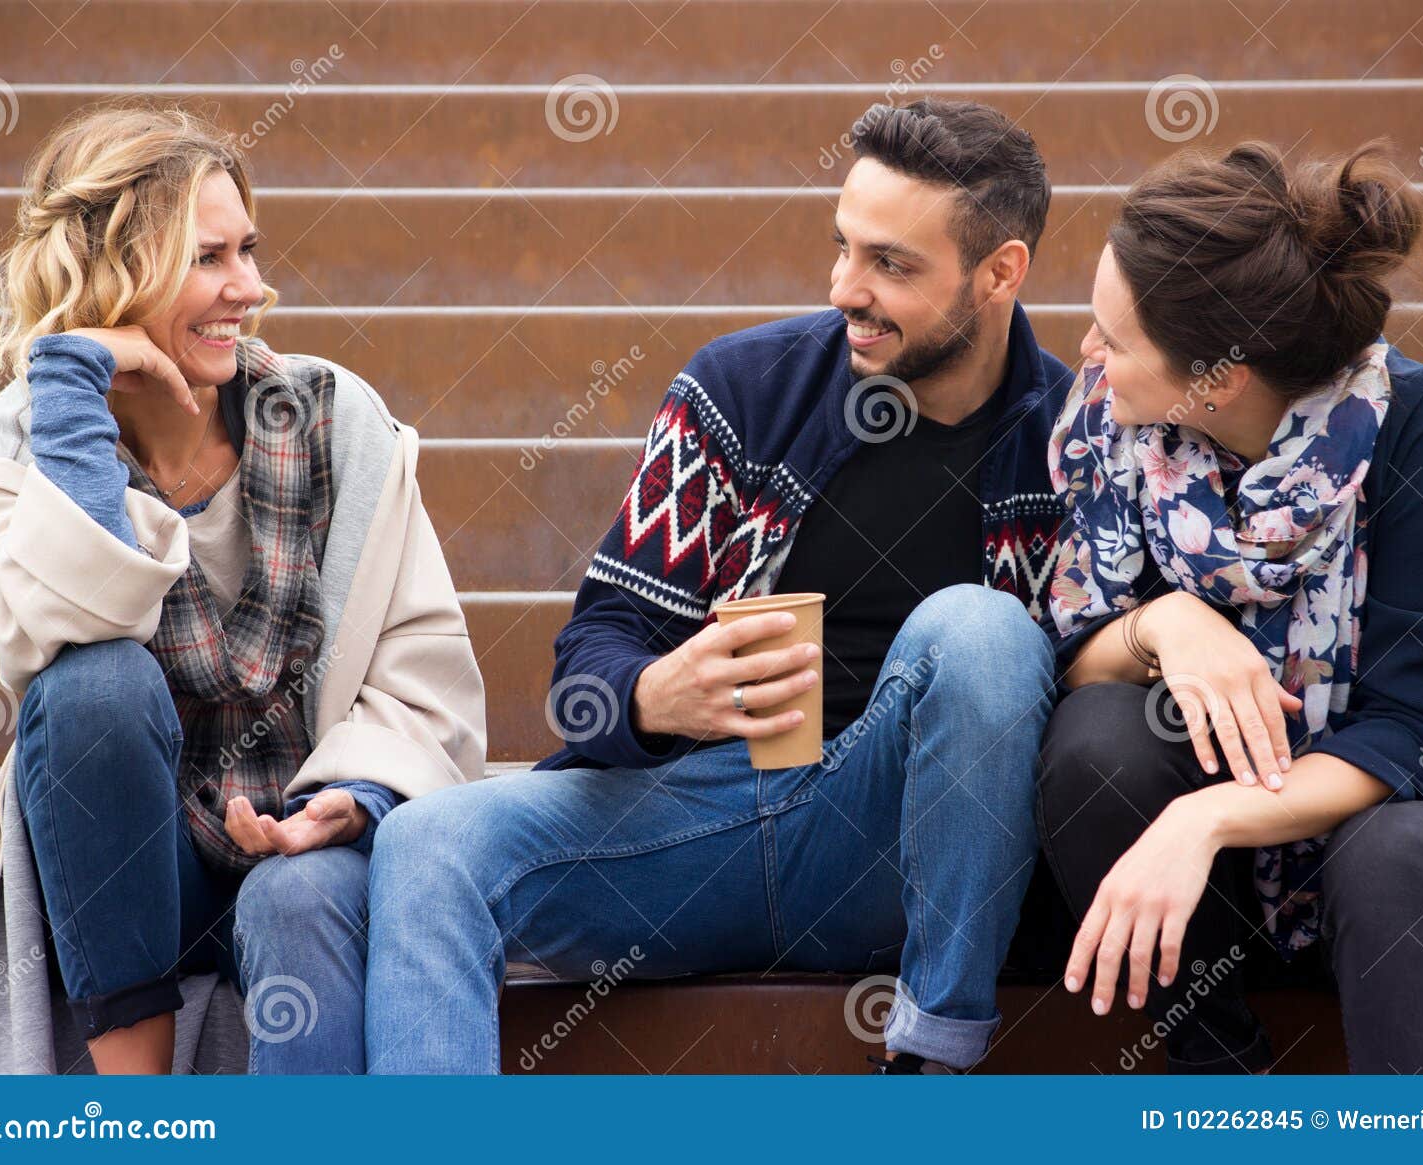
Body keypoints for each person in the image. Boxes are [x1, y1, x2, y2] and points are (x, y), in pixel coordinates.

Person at [363, 99, 1072, 1074]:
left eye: (891, 265)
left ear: (998, 274)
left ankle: (932, 1063)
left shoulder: (1073, 441)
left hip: (905, 849)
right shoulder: (745, 389)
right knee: (423, 843)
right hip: (705, 819)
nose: (845, 289)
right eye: (843, 248)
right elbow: (593, 654)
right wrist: (659, 693)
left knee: (980, 632)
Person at [0, 102, 486, 1075]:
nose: (251, 288)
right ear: (113, 276)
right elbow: (79, 618)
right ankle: (139, 1111)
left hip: (308, 838)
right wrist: (72, 384)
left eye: (249, 250)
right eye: (208, 259)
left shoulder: (330, 420)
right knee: (96, 684)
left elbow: (421, 668)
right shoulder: (6, 459)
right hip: (128, 874)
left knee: (299, 897)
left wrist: (348, 796)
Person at [1037, 140, 1423, 1073]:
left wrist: (1206, 817)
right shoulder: (1114, 434)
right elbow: (1067, 650)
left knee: (1392, 855)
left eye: (1116, 334)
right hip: (1219, 900)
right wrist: (1164, 625)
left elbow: (1416, 730)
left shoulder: (1421, 431)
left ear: (1215, 379)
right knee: (1097, 739)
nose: (1086, 351)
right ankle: (1227, 1081)